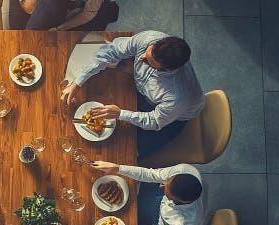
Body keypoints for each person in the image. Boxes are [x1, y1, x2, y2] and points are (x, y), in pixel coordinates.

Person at [60, 31, 204, 157]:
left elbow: (154, 121)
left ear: (165, 70)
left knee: (128, 151)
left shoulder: (177, 97)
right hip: (147, 93)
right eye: (146, 52)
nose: (140, 58)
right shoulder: (149, 38)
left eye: (148, 61)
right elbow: (111, 51)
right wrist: (77, 82)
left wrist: (120, 114)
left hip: (172, 117)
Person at [24, 0, 119, 31]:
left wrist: (60, 28)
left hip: (79, 9)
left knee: (110, 11)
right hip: (54, 4)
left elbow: (87, 14)